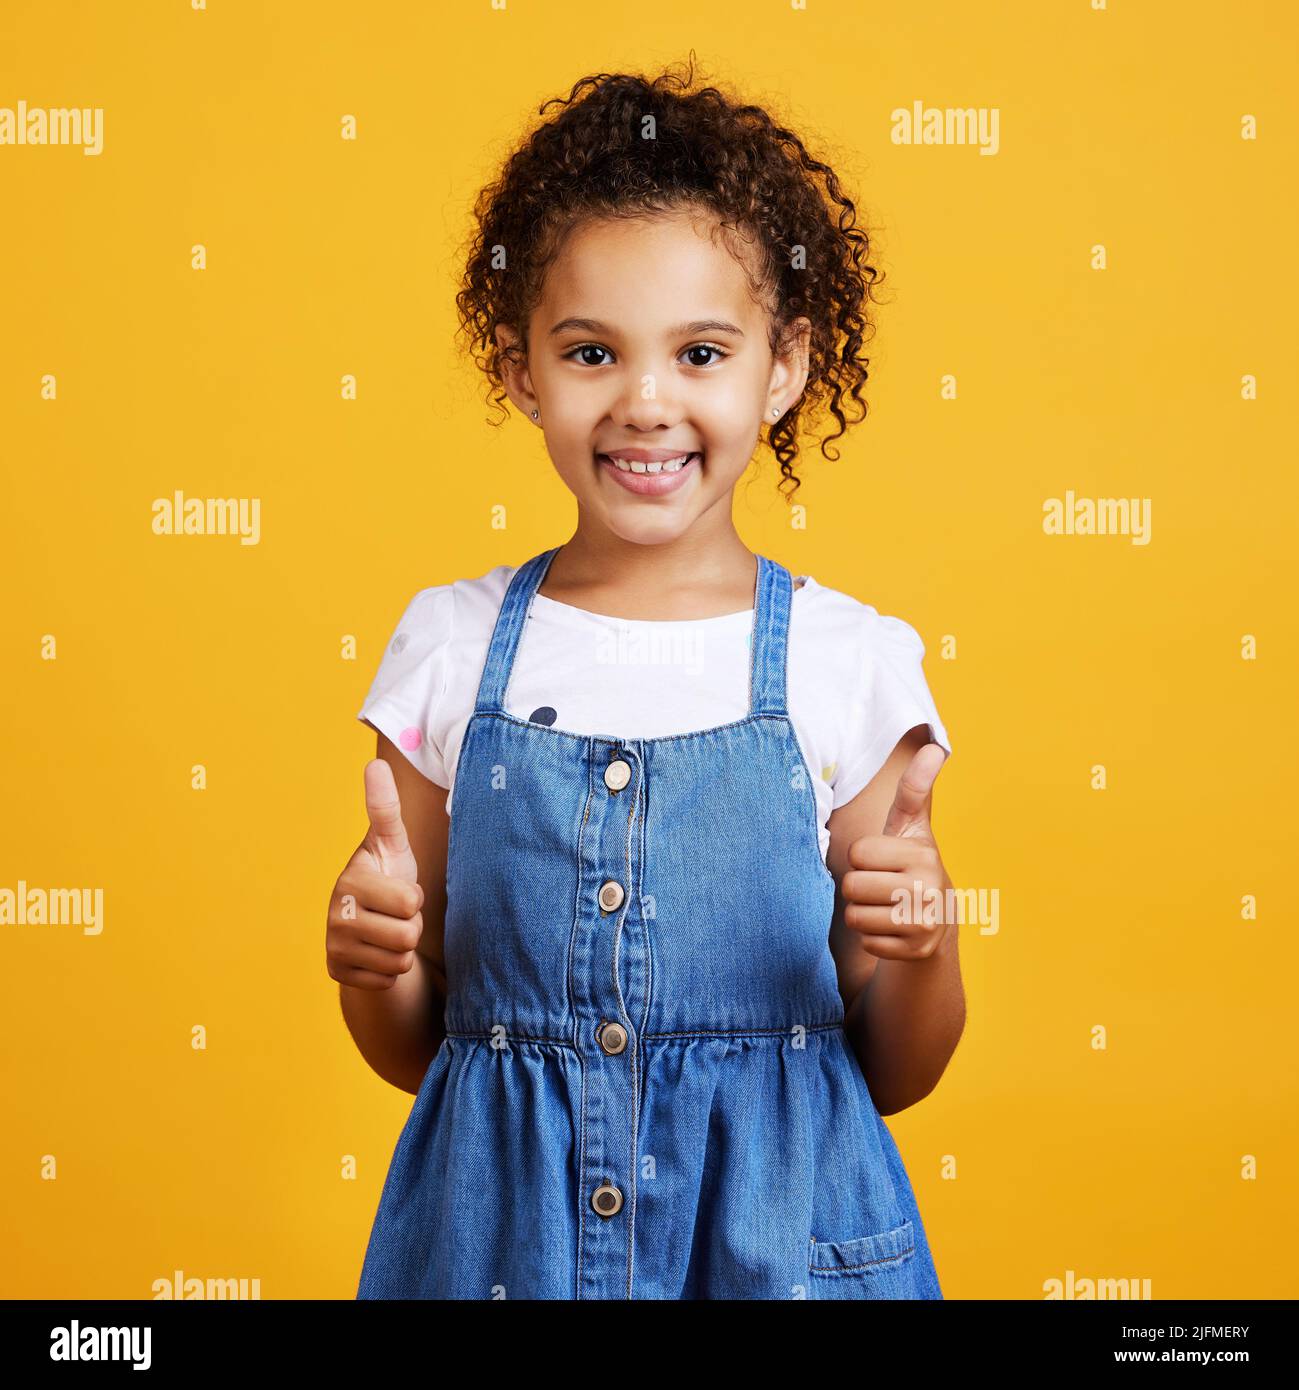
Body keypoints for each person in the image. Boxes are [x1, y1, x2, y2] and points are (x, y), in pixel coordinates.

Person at [327, 56, 965, 1300]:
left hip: (782, 1257)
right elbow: (419, 1053)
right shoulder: (452, 647)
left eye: (704, 352)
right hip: (498, 1256)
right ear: (520, 369)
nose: (647, 402)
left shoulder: (851, 662)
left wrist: (923, 941)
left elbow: (898, 1070)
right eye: (590, 352)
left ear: (784, 368)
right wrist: (379, 962)